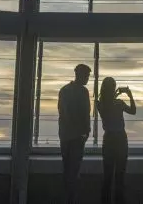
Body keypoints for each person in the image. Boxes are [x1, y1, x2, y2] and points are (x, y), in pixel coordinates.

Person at [96, 76, 135, 204]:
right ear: (113, 88)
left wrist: (116, 93)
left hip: (108, 139)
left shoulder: (99, 104)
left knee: (107, 176)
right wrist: (130, 95)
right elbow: (133, 111)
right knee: (120, 176)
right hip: (120, 139)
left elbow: (107, 104)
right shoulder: (119, 103)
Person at [58, 63, 91, 204]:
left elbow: (63, 112)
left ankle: (68, 198)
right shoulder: (83, 92)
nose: (88, 79)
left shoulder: (65, 90)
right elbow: (86, 113)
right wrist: (85, 131)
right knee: (74, 171)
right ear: (80, 74)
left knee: (68, 171)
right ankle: (71, 198)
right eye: (87, 76)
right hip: (77, 137)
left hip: (67, 135)